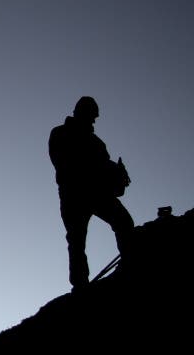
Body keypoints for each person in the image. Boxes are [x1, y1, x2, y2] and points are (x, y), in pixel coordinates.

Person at [48, 96, 134, 291]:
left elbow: (106, 170)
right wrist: (103, 171)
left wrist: (118, 176)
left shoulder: (97, 142)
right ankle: (80, 285)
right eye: (91, 116)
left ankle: (130, 263)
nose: (93, 121)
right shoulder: (60, 133)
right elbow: (62, 163)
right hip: (73, 195)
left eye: (94, 118)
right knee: (77, 240)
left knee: (124, 222)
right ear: (80, 113)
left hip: (96, 194)